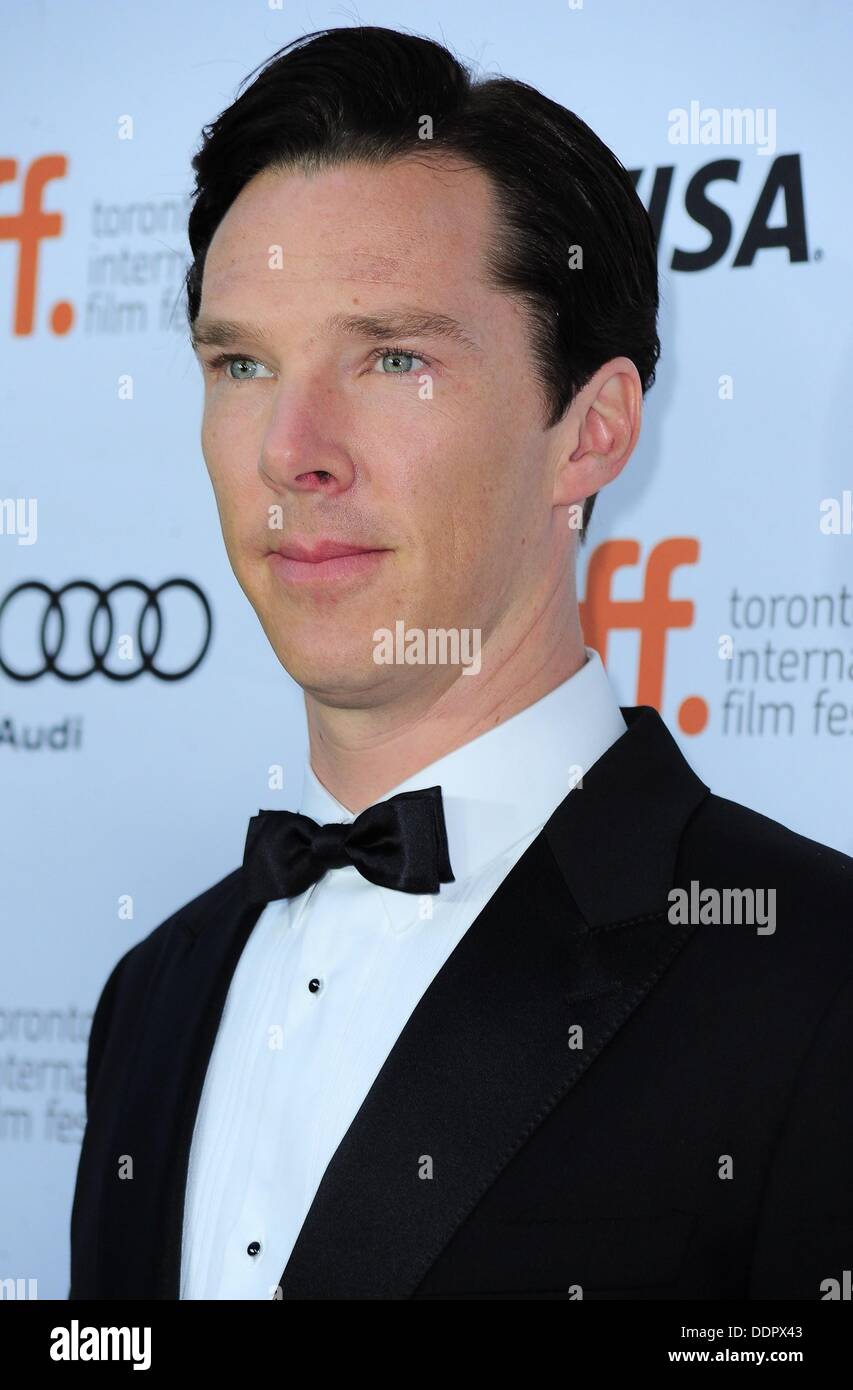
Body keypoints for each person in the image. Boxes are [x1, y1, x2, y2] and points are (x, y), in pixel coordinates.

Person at [69, 24, 853, 1301]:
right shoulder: (150, 997)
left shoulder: (815, 980)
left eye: (393, 358)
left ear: (588, 434)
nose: (292, 451)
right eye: (242, 363)